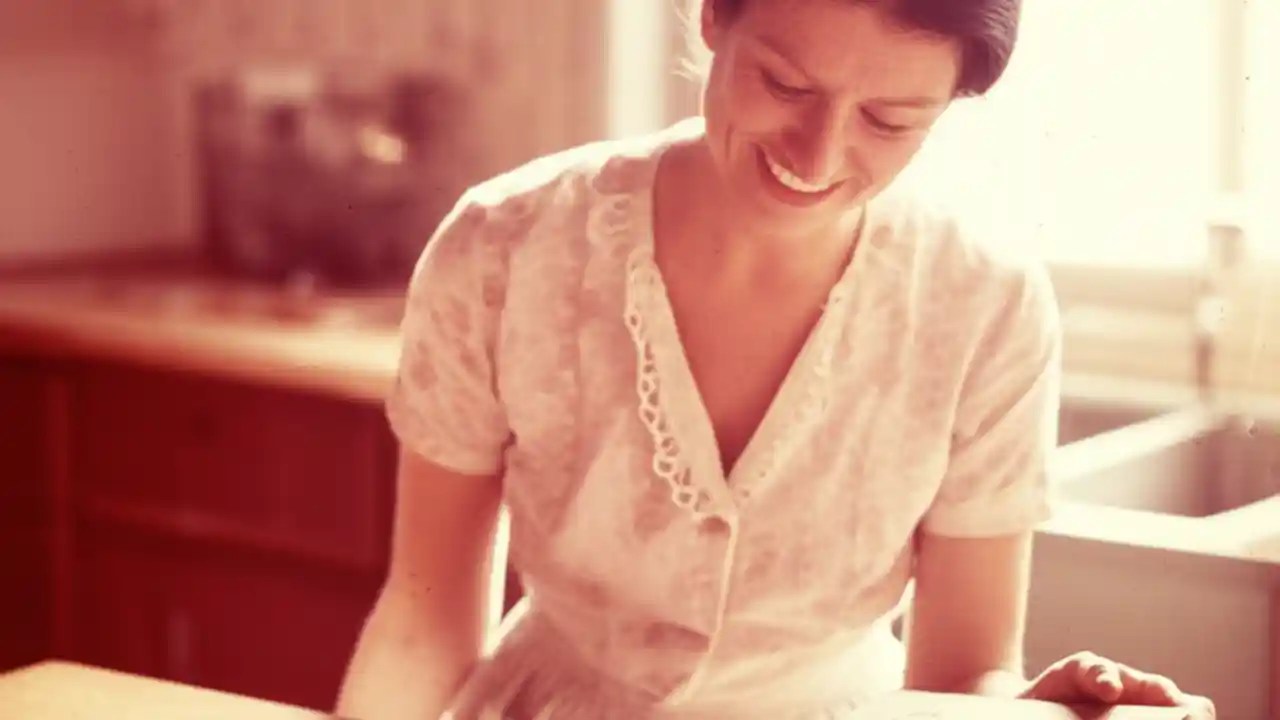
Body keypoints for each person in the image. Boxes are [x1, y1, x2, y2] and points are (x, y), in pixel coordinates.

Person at [336, 1, 1216, 718]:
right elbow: (424, 623)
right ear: (714, 17)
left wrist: (1038, 716)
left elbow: (959, 679)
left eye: (889, 120)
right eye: (785, 85)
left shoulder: (985, 302)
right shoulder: (505, 246)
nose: (818, 154)